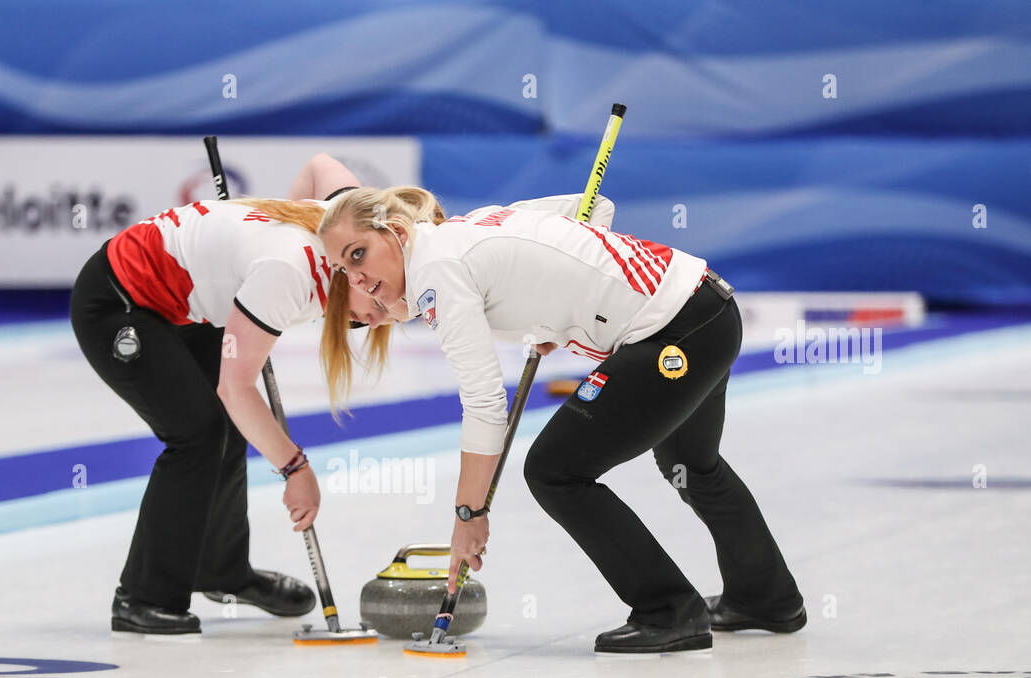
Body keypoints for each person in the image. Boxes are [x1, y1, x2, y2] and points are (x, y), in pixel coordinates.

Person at [317, 186, 805, 653]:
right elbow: (593, 207)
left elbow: (485, 402)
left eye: (357, 254)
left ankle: (670, 610)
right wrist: (557, 305)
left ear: (397, 233)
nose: (355, 278)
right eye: (343, 268)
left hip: (673, 332)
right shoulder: (465, 230)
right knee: (691, 463)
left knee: (555, 470)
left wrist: (469, 514)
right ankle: (766, 598)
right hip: (707, 309)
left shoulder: (437, 269)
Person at [68, 154, 373, 635]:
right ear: (353, 270)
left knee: (230, 427)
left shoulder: (352, 221)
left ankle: (221, 569)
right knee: (197, 433)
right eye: (372, 306)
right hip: (121, 301)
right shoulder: (289, 270)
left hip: (187, 303)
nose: (376, 317)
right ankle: (141, 595)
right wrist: (296, 468)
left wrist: (256, 248)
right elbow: (236, 389)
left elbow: (320, 165)